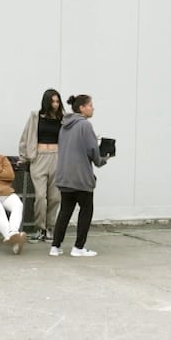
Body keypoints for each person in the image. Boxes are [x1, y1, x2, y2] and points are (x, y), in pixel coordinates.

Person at [50, 94, 109, 258]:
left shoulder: (64, 125)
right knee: (86, 210)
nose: (93, 108)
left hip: (64, 176)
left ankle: (55, 246)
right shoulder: (85, 125)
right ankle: (78, 247)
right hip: (81, 177)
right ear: (82, 108)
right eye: (90, 105)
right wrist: (104, 158)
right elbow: (93, 152)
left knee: (65, 211)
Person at [18, 88, 65, 242]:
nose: (55, 104)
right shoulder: (35, 116)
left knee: (55, 197)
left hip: (57, 158)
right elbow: (25, 137)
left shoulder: (63, 119)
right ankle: (40, 228)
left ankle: (50, 228)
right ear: (46, 101)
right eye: (53, 101)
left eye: (58, 101)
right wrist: (24, 157)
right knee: (40, 196)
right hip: (39, 158)